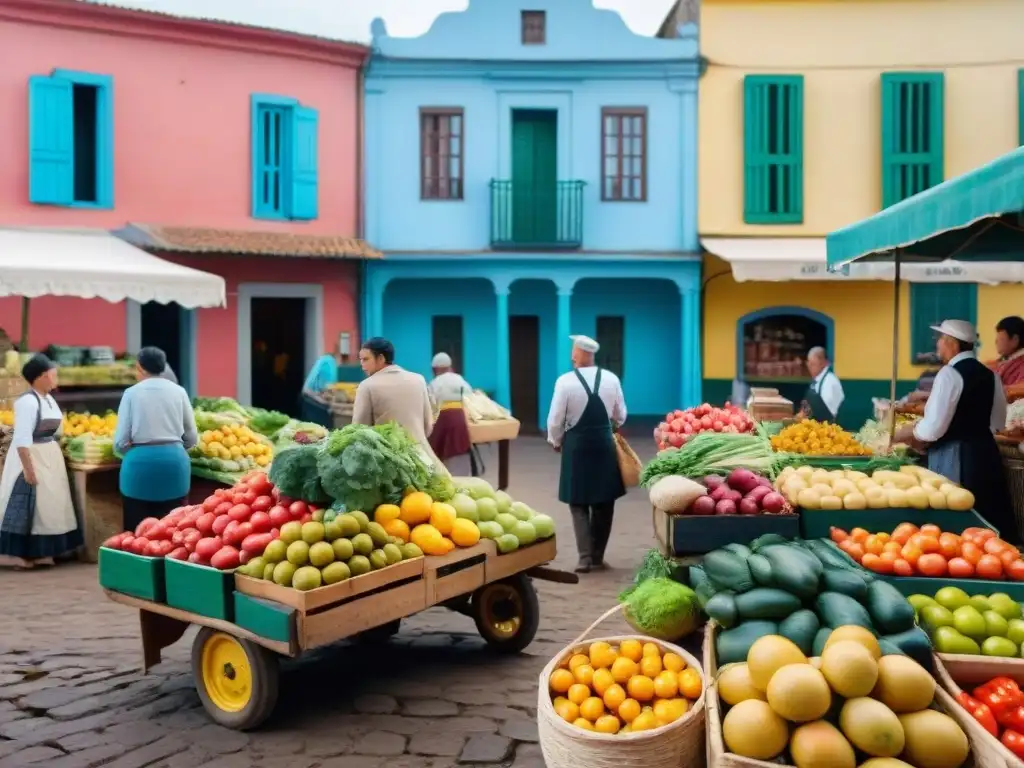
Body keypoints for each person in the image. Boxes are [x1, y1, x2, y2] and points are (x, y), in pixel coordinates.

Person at [894, 320, 1014, 540]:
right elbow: (998, 422)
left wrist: (907, 434)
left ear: (952, 343)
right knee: (987, 523)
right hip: (986, 455)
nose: (938, 345)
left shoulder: (949, 374)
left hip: (954, 458)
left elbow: (932, 429)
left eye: (940, 340)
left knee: (958, 526)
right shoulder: (991, 376)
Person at [546, 335, 627, 573]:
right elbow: (620, 415)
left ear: (581, 354)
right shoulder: (611, 379)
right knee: (604, 502)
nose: (572, 356)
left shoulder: (564, 382)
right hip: (604, 445)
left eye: (574, 351)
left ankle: (584, 559)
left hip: (577, 446)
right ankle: (597, 557)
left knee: (578, 502)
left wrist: (556, 440)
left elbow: (555, 419)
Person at [0, 354, 82, 568]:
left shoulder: (48, 399)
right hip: (32, 455)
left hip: (50, 455)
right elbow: (22, 438)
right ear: (41, 377)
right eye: (52, 374)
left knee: (51, 506)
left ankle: (49, 550)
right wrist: (28, 469)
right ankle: (25, 554)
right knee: (31, 506)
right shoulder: (27, 402)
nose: (55, 378)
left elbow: (58, 430)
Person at [114, 347, 199, 534]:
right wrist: (173, 448)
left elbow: (120, 441)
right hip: (175, 466)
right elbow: (192, 437)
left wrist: (137, 453)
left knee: (137, 532)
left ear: (140, 368)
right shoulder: (179, 392)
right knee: (172, 531)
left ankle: (138, 563)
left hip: (139, 469)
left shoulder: (131, 394)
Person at [352, 338, 442, 470]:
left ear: (381, 358)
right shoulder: (419, 380)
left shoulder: (367, 386)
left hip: (386, 465)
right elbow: (428, 425)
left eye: (366, 359)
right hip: (422, 461)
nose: (362, 364)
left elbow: (359, 431)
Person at [427, 352, 477, 473]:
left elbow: (429, 405)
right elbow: (471, 399)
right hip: (460, 419)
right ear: (450, 366)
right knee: (459, 451)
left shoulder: (435, 383)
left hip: (442, 420)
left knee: (436, 454)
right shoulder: (459, 379)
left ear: (435, 369)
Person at [800, 347, 844, 422]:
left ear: (824, 363)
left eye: (813, 364)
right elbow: (807, 407)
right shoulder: (816, 380)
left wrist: (805, 416)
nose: (810, 367)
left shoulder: (829, 381)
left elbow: (825, 414)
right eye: (808, 364)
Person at [300, 348, 341, 427]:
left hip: (312, 400)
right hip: (312, 402)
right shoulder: (328, 362)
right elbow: (328, 386)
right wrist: (325, 401)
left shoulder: (326, 361)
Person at [990, 316, 1024, 387]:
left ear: (1015, 340)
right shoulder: (1004, 361)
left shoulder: (1021, 365)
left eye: (1001, 338)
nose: (996, 342)